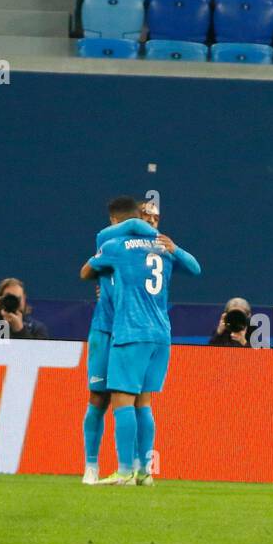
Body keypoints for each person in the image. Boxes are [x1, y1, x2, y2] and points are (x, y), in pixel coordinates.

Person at [84, 211, 202, 486]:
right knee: (145, 403)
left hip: (131, 331)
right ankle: (144, 471)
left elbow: (87, 268)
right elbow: (196, 269)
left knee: (121, 401)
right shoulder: (164, 248)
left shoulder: (116, 246)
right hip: (161, 335)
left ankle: (123, 471)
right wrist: (173, 246)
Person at [79, 196, 157, 485]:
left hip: (132, 330)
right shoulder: (108, 244)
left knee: (137, 400)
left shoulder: (145, 248)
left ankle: (137, 469)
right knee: (99, 397)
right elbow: (85, 272)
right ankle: (92, 466)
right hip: (106, 328)